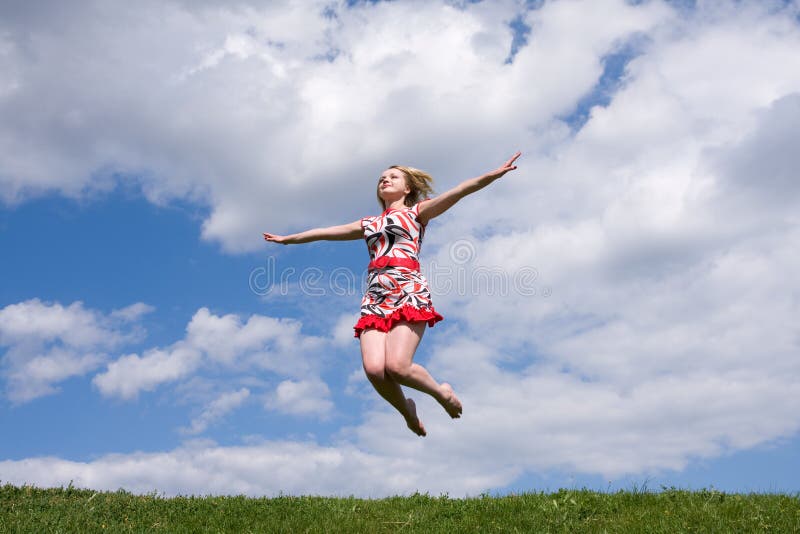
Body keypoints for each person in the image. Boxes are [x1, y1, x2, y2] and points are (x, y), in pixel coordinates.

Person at [263, 152, 521, 436]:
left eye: (393, 177)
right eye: (381, 179)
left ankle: (441, 393)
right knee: (375, 370)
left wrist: (493, 175)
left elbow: (459, 191)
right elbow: (326, 231)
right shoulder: (369, 224)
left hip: (407, 289)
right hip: (375, 297)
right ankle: (407, 411)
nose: (385, 180)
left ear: (407, 188)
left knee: (397, 366)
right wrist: (288, 239)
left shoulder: (417, 213)